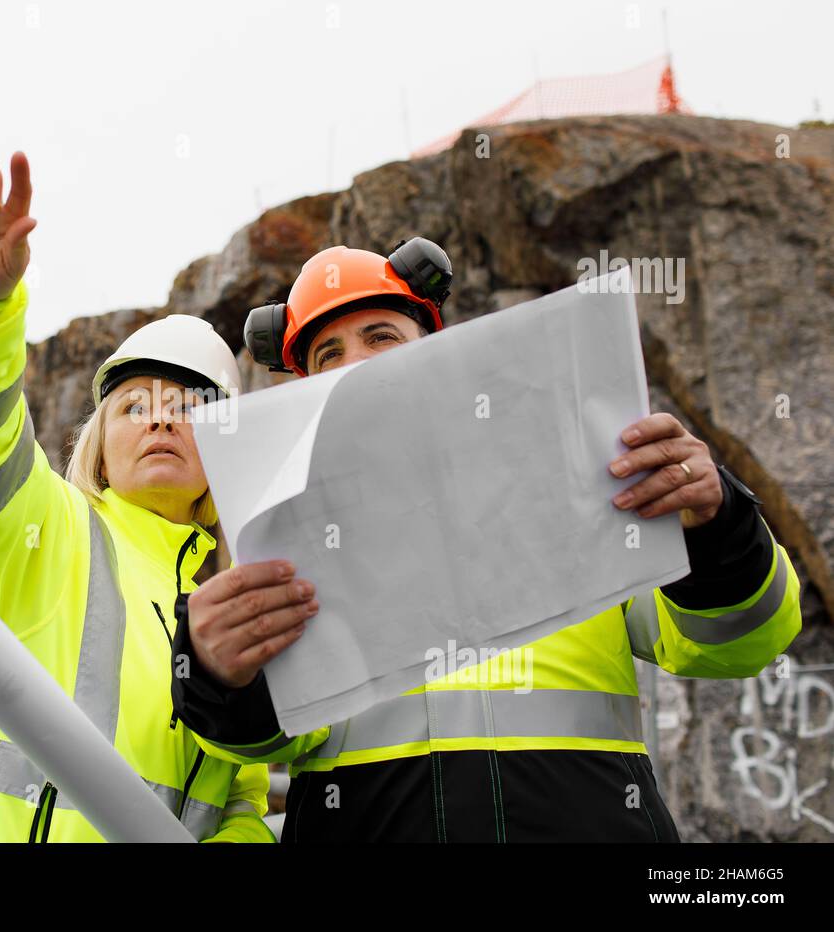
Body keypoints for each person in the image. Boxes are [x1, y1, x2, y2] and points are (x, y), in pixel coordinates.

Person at [171, 240, 802, 841]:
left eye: (380, 336)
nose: (356, 363)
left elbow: (737, 646)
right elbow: (263, 745)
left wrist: (718, 529)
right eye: (327, 354)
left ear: (436, 347)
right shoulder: (281, 534)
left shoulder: (568, 486)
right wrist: (219, 678)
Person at [0, 136, 273, 842]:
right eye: (135, 405)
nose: (162, 417)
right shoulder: (47, 535)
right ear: (101, 446)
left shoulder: (238, 595)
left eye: (189, 406)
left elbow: (242, 798)